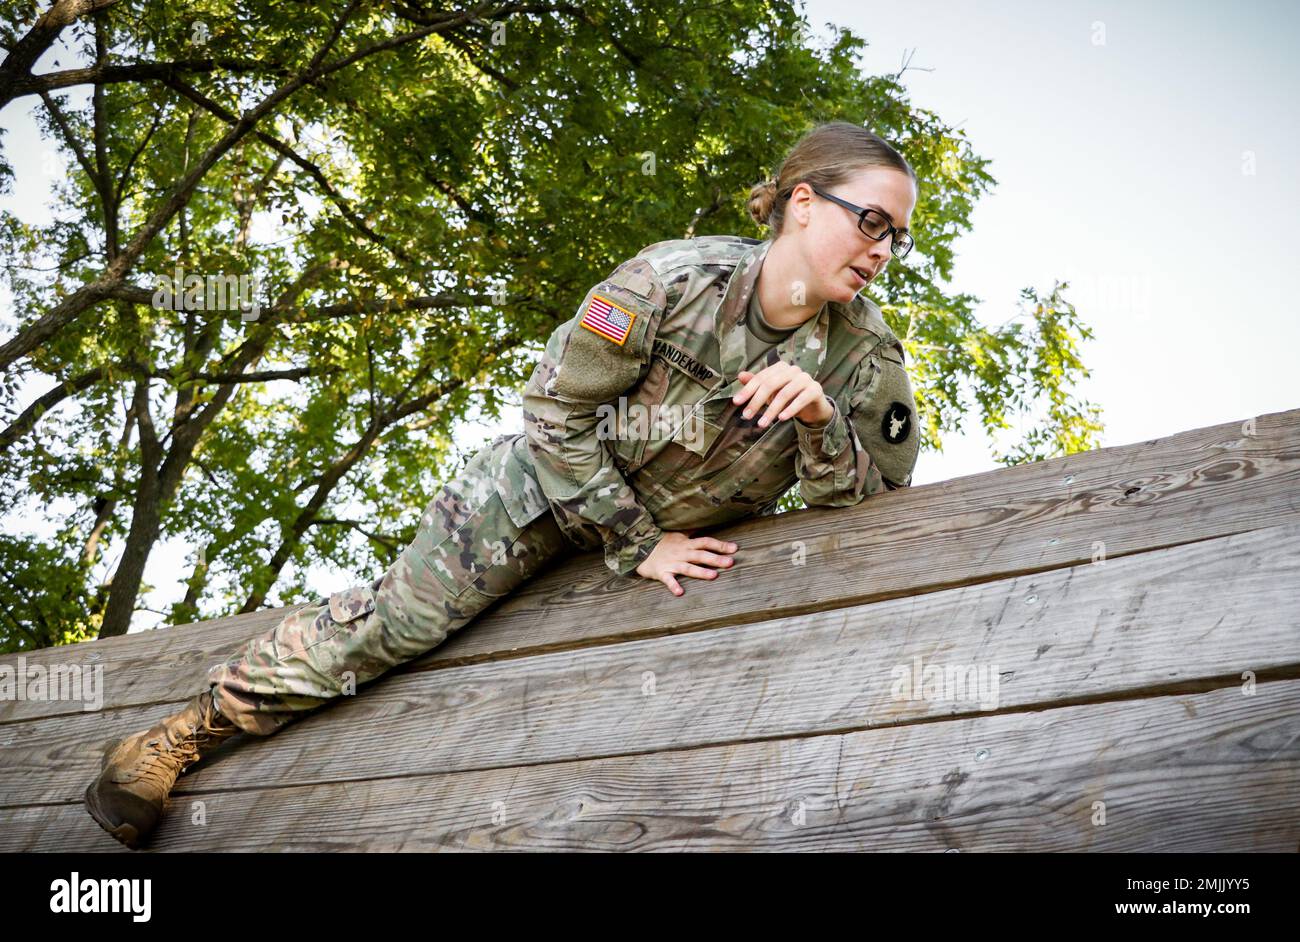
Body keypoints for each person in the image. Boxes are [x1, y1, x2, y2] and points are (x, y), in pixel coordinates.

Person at [83, 119, 922, 848]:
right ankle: (176, 741)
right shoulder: (667, 282)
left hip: (692, 552)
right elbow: (553, 413)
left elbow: (873, 510)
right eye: (872, 222)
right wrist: (636, 540)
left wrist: (818, 423)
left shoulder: (867, 360)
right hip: (537, 499)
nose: (883, 251)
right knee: (396, 629)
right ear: (803, 201)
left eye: (899, 238)